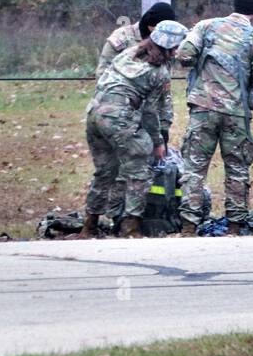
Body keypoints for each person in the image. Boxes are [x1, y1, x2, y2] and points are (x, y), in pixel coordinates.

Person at [176, 0, 253, 236]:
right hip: (236, 112)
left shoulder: (205, 26)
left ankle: (188, 226)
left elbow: (184, 54)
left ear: (234, 4)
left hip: (203, 108)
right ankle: (234, 226)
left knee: (194, 168)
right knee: (237, 168)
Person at [77, 20, 185, 239]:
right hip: (119, 116)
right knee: (140, 168)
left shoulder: (129, 53)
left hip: (94, 113)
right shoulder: (159, 71)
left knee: (104, 171)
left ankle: (89, 226)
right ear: (171, 47)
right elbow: (150, 113)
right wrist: (157, 142)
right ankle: (131, 227)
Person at [94, 2, 177, 222]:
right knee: (117, 169)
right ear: (152, 28)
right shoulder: (122, 40)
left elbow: (163, 92)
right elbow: (103, 76)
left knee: (142, 166)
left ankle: (141, 214)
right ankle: (118, 218)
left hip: (146, 116)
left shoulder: (166, 44)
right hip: (120, 113)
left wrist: (163, 127)